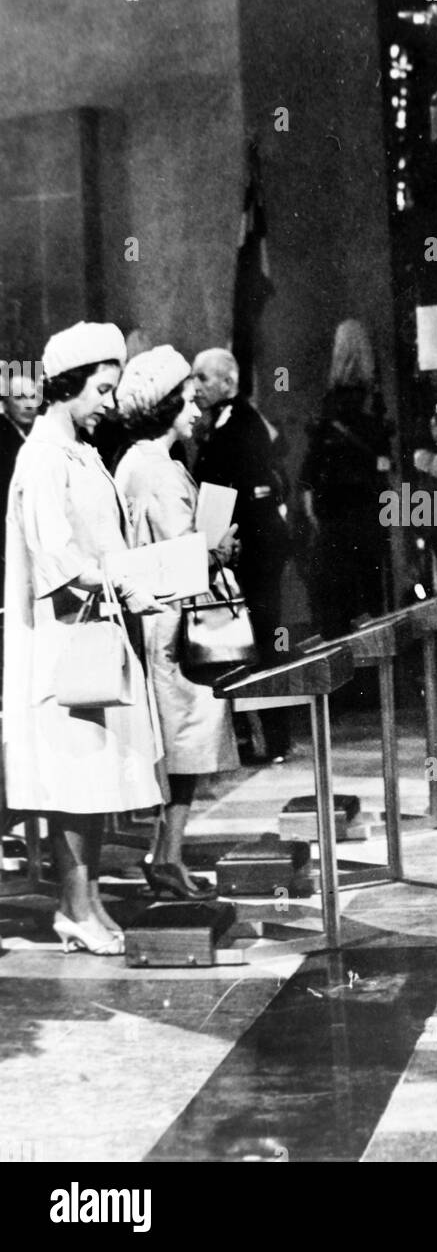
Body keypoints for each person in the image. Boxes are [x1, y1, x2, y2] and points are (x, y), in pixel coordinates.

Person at [3, 322, 166, 956]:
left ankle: (88, 898)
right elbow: (56, 561)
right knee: (74, 780)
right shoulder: (42, 455)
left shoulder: (80, 449)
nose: (109, 400)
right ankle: (73, 907)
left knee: (96, 778)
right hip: (64, 644)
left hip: (93, 633)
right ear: (68, 385)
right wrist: (122, 577)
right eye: (101, 388)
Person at [114, 346, 240, 900]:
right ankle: (167, 856)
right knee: (185, 745)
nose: (196, 410)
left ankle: (166, 854)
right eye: (186, 401)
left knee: (178, 746)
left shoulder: (132, 462)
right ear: (164, 405)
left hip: (156, 623)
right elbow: (178, 554)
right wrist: (217, 550)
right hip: (176, 626)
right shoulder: (161, 471)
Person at [191, 348, 292, 762]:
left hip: (253, 549)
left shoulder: (236, 424)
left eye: (203, 378)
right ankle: (267, 736)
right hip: (256, 545)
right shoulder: (234, 420)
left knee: (259, 640)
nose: (196, 387)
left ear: (227, 383)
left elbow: (219, 487)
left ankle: (271, 737)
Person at [299, 320, 393, 641]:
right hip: (367, 522)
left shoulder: (326, 415)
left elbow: (309, 484)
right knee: (371, 606)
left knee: (337, 617)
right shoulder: (373, 411)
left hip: (334, 527)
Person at [0, 375, 39, 584]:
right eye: (20, 397)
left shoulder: (38, 435)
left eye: (33, 397)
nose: (29, 404)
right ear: (5, 402)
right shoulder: (3, 436)